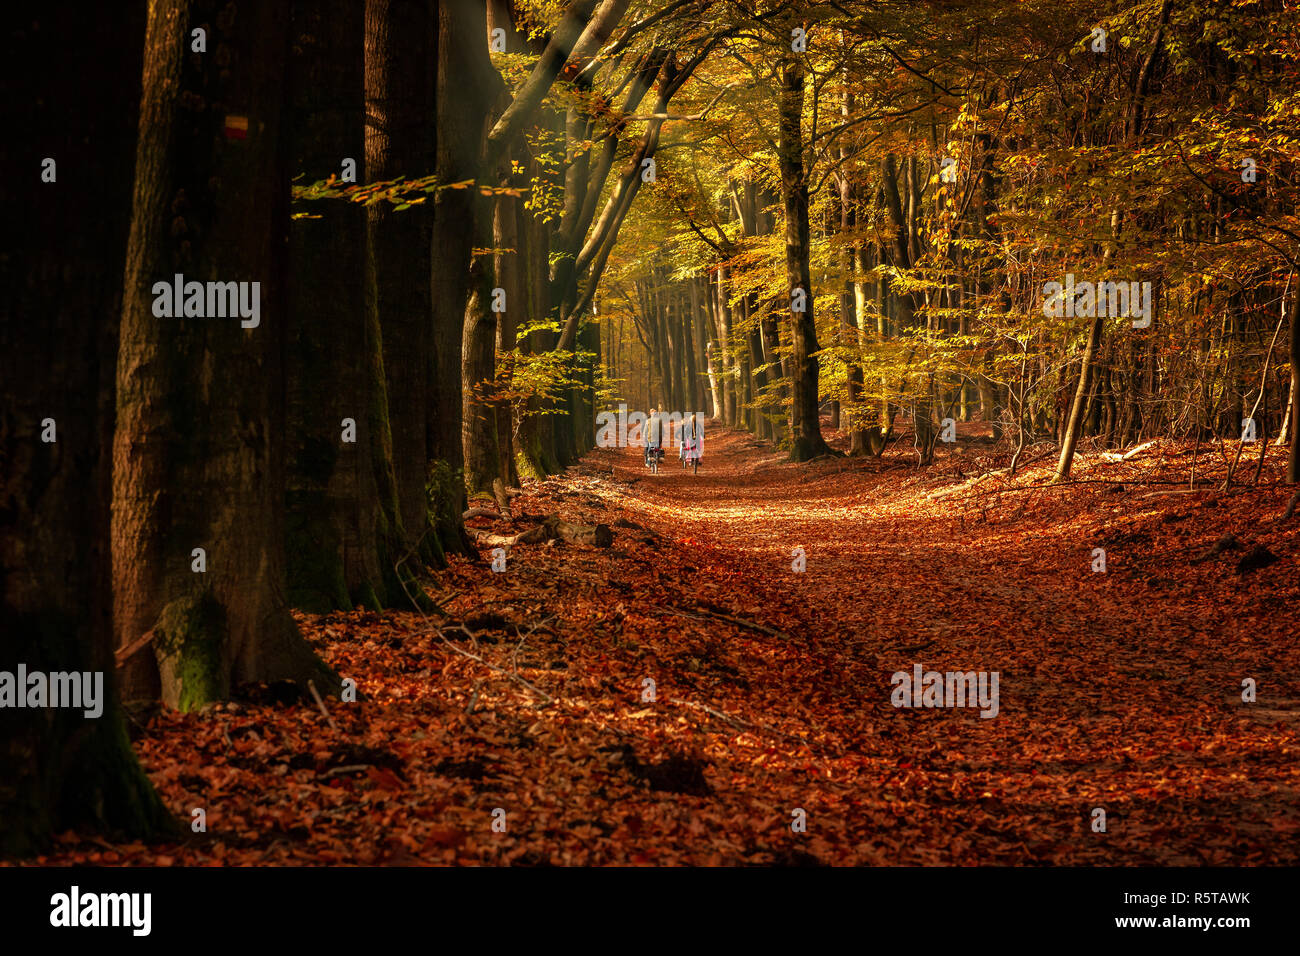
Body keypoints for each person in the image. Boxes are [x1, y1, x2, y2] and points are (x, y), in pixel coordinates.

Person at [644, 406, 664, 471]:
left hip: (650, 438)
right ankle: (660, 457)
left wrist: (644, 437)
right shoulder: (660, 420)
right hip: (659, 438)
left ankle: (650, 457)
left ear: (651, 414)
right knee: (659, 447)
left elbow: (645, 431)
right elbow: (662, 430)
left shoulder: (648, 421)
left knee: (650, 448)